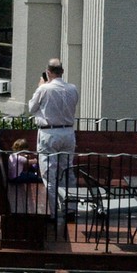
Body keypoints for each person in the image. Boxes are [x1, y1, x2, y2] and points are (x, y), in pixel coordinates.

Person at [27, 58, 79, 220]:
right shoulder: (72, 89)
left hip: (49, 133)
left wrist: (40, 87)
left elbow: (31, 108)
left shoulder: (44, 89)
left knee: (50, 174)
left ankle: (53, 212)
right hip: (68, 133)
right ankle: (70, 208)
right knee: (66, 171)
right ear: (62, 72)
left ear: (48, 72)